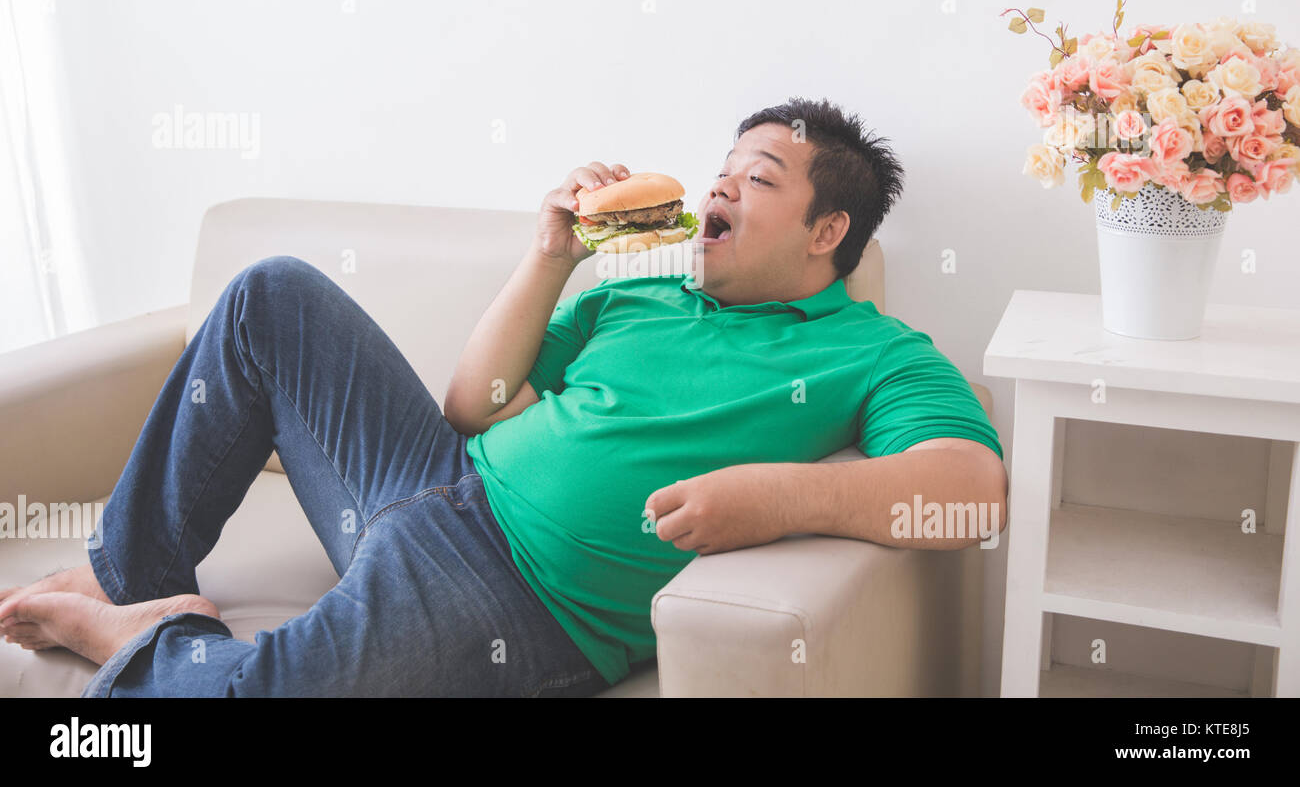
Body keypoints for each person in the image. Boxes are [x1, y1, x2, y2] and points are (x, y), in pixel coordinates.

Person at [0, 97, 1006, 696]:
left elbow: (971, 490)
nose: (722, 189)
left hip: (508, 599)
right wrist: (549, 255)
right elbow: (474, 402)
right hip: (433, 481)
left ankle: (137, 642)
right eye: (723, 170)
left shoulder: (876, 353)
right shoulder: (639, 288)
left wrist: (779, 499)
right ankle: (130, 572)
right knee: (274, 293)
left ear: (828, 231)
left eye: (760, 177)